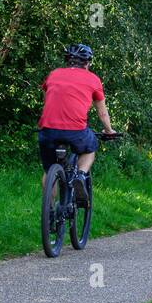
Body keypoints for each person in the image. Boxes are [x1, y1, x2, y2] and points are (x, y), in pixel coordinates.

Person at [38, 44, 115, 196]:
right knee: (90, 148)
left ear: (67, 61)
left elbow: (49, 98)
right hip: (75, 131)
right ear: (87, 63)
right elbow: (102, 113)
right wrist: (109, 130)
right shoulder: (93, 79)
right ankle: (80, 175)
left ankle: (51, 213)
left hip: (47, 129)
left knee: (49, 170)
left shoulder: (54, 74)